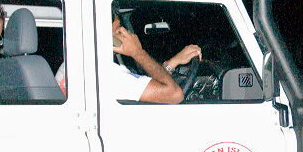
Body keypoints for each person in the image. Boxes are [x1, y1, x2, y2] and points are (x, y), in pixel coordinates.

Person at [55, 12, 200, 103]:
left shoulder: (75, 64)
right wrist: (138, 52)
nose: (124, 34)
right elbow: (174, 94)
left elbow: (150, 85)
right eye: (118, 29)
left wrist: (173, 63)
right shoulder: (105, 73)